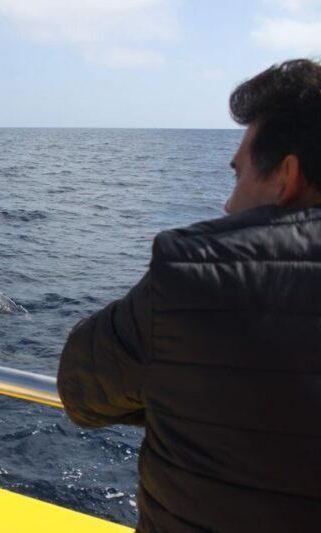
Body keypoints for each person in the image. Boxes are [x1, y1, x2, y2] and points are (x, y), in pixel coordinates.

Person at [57, 58, 321, 532]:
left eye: (237, 174)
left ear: (287, 176)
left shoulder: (193, 276)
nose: (228, 201)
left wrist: (184, 389)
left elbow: (80, 391)